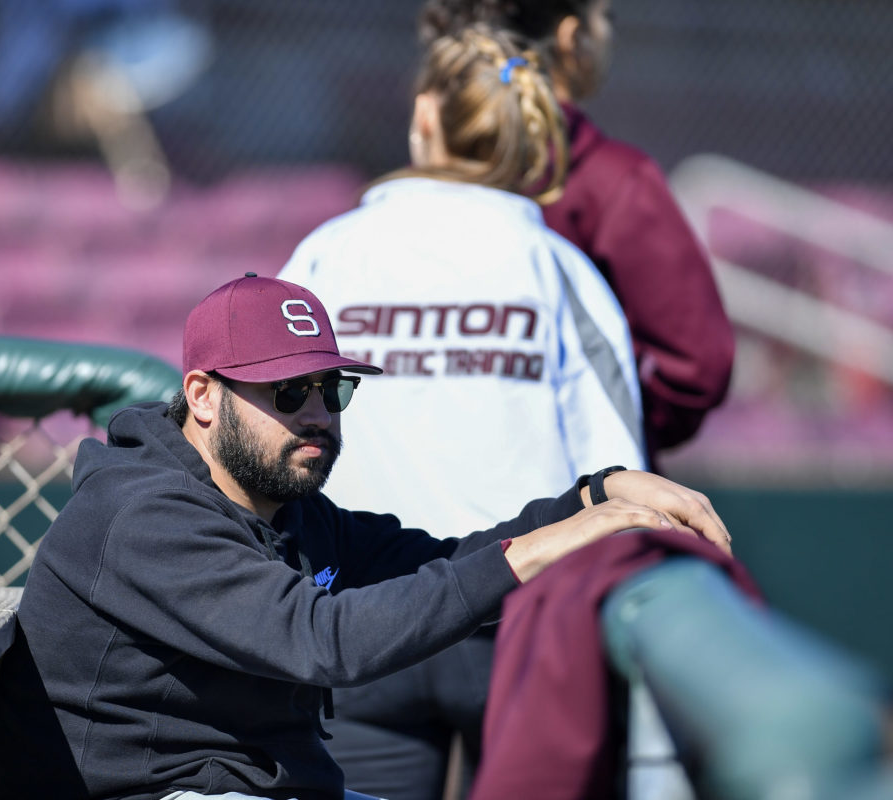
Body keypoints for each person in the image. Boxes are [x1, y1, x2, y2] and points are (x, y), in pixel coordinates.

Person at [0, 272, 732, 800]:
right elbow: (324, 640)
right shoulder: (144, 514)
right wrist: (536, 553)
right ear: (204, 396)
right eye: (288, 391)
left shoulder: (285, 507)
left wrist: (591, 495)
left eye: (332, 389)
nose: (318, 413)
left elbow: (442, 563)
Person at [276, 29, 647, 800]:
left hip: (360, 621)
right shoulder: (557, 267)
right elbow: (619, 467)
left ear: (422, 117)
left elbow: (267, 428)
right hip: (520, 620)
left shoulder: (325, 254)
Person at [419, 0, 735, 473]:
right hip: (581, 509)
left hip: (424, 485)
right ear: (572, 37)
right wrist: (596, 420)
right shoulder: (616, 180)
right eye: (607, 16)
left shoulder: (418, 183)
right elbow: (698, 364)